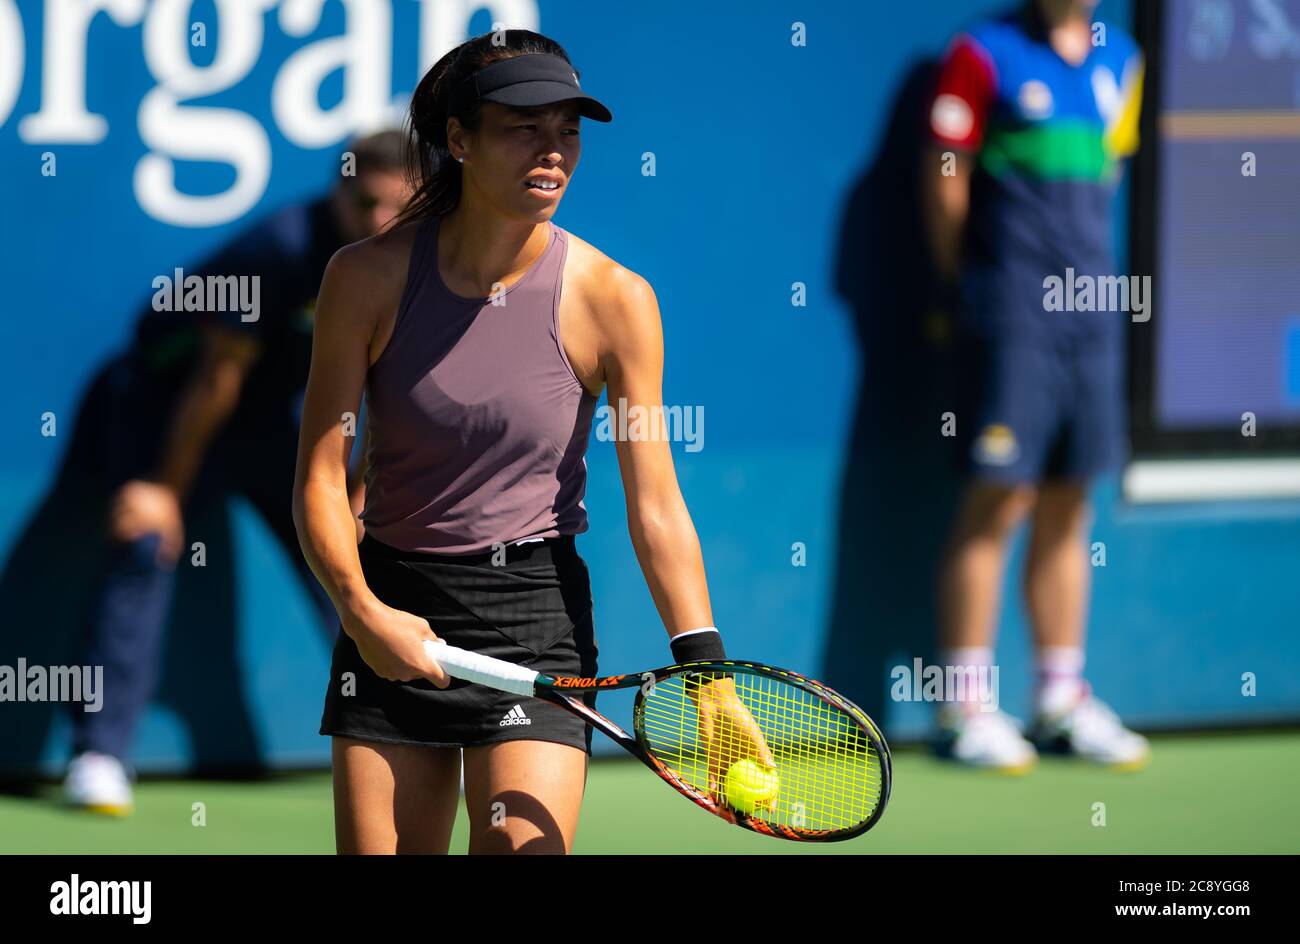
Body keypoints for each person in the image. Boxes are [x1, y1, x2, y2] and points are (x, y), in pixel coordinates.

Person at [295, 29, 766, 855]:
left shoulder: (618, 300)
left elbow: (656, 507)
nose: (552, 153)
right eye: (523, 128)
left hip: (537, 617)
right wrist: (363, 614)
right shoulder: (362, 279)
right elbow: (321, 478)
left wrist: (708, 674)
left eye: (568, 131)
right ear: (458, 139)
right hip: (397, 602)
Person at [63, 131, 411, 813]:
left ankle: (404, 734)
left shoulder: (397, 261)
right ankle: (99, 754)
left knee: (350, 552)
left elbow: (383, 382)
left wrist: (359, 495)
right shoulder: (279, 249)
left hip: (263, 421)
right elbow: (215, 378)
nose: (378, 221)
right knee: (145, 540)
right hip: (166, 405)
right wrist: (163, 490)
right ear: (339, 190)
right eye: (366, 203)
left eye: (395, 207)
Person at [922, 0, 1149, 771]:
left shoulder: (1123, 59)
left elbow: (1110, 173)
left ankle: (1059, 697)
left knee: (1069, 494)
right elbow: (945, 171)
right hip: (1010, 308)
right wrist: (967, 288)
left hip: (1093, 311)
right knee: (1000, 496)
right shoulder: (981, 53)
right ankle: (966, 706)